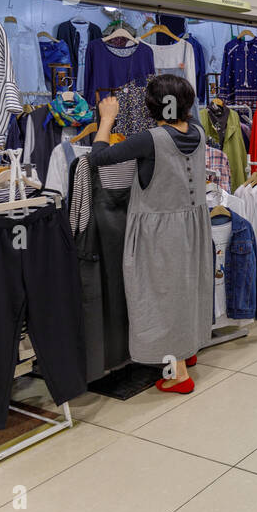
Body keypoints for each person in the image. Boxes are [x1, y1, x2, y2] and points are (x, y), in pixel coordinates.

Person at [88, 74, 212, 394]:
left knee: (160, 297)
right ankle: (188, 348)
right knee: (188, 287)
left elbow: (99, 157)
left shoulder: (150, 138)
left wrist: (107, 119)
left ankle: (178, 373)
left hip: (160, 230)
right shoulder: (198, 132)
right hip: (194, 227)